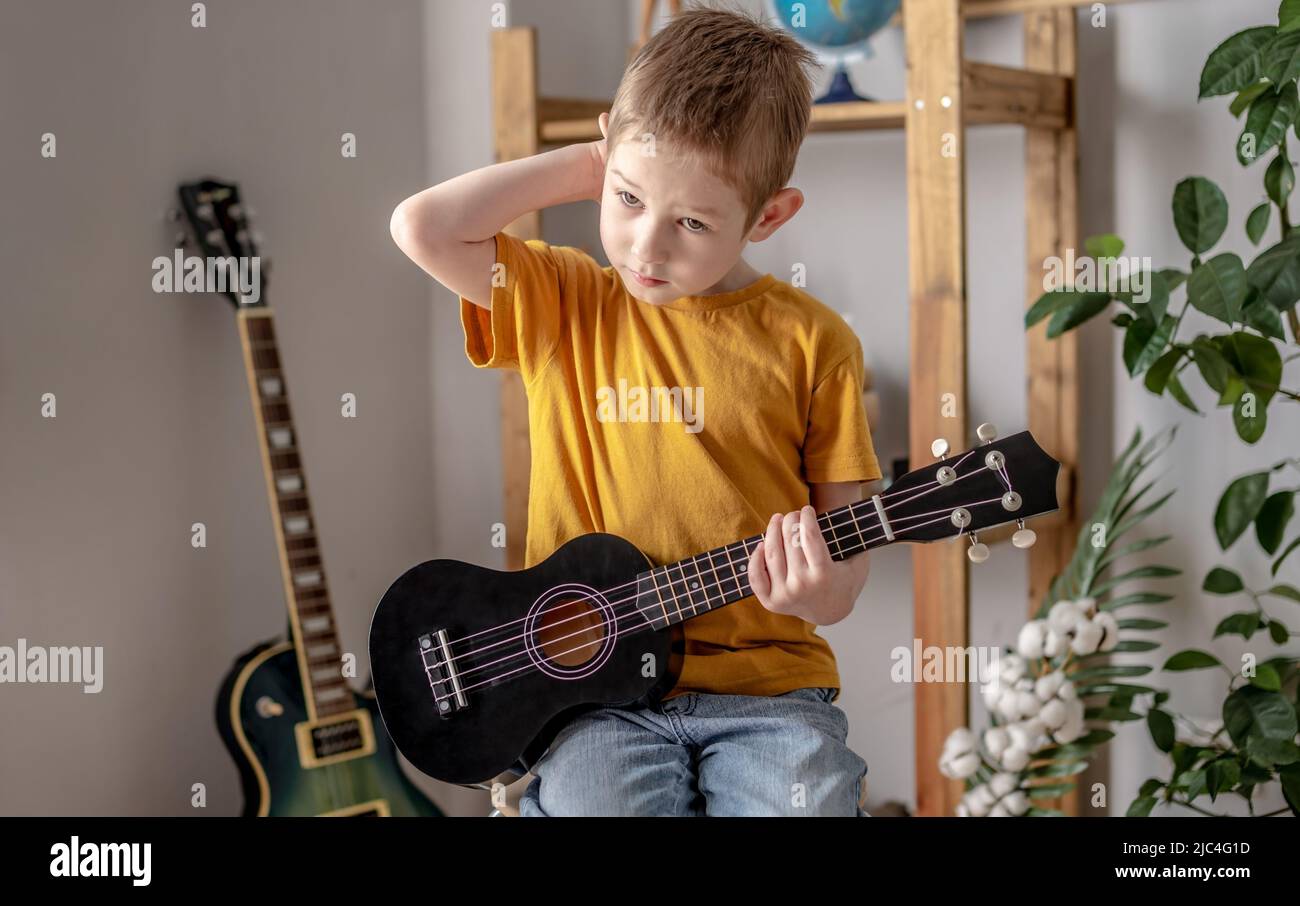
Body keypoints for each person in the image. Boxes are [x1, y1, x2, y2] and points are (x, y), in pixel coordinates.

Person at [390, 3, 881, 816]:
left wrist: (817, 595)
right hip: (590, 699)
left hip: (764, 692)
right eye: (626, 200)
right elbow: (423, 226)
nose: (647, 247)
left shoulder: (814, 342)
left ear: (768, 216)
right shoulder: (565, 301)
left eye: (691, 221)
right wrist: (596, 159)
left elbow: (847, 561)